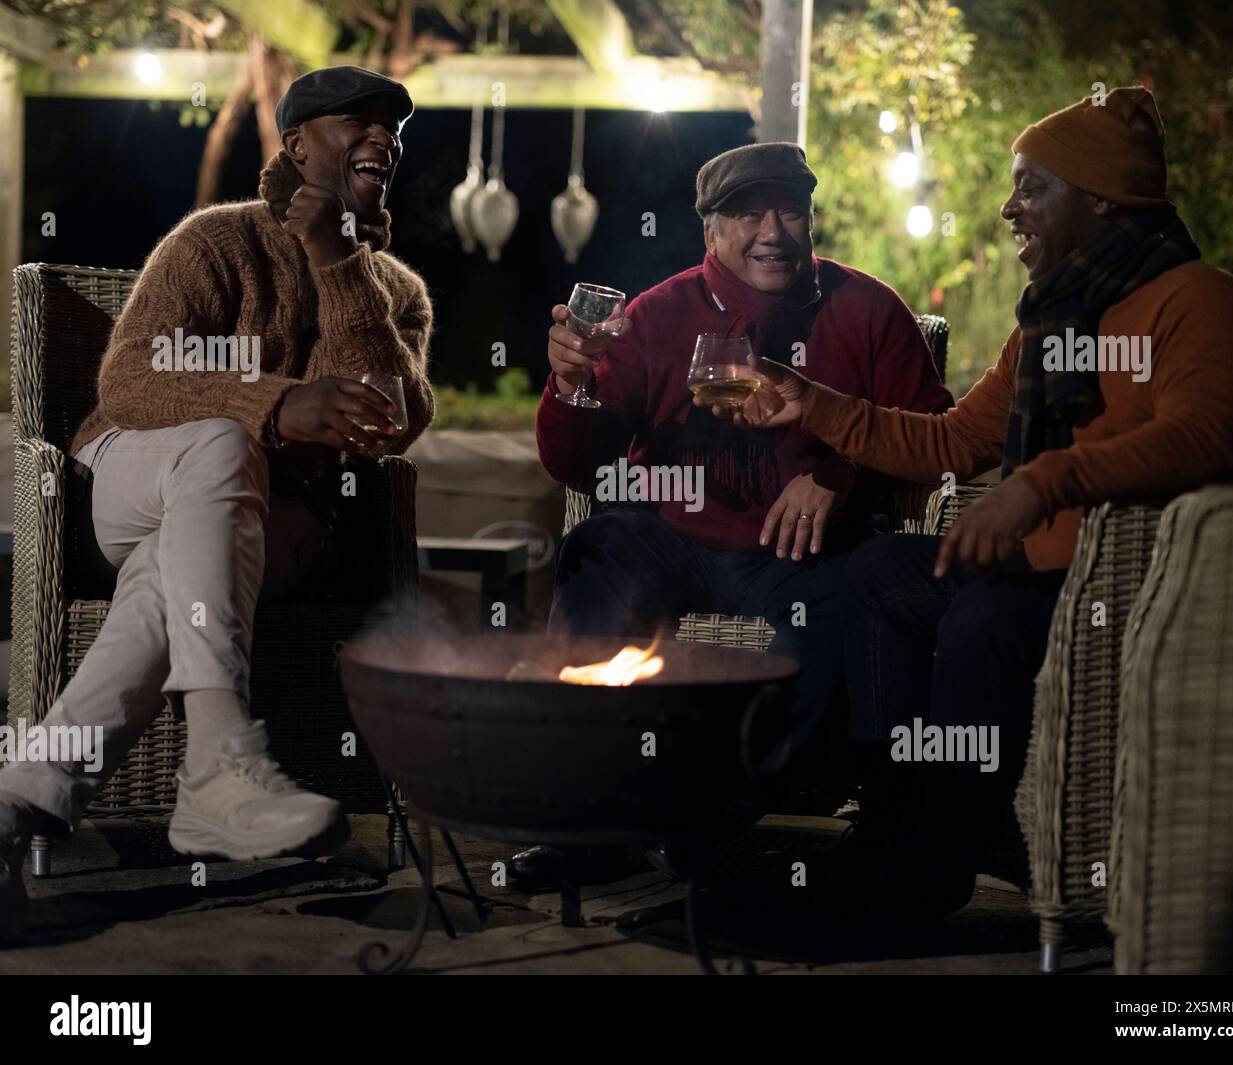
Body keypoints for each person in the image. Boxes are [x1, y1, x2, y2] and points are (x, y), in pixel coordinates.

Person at [701, 87, 1233, 910]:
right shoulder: (1047, 321)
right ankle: (896, 828)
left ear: (1101, 197)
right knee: (879, 570)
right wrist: (811, 400)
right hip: (1039, 570)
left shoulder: (1198, 299)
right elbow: (947, 443)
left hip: (1145, 588)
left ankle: (946, 851)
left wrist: (1044, 479)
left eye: (1032, 186)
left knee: (980, 620)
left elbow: (1204, 438)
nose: (1011, 207)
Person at [0, 66, 436, 938]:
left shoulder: (395, 291)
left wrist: (337, 260)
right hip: (125, 482)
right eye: (360, 121)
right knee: (222, 441)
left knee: (176, 573)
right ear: (296, 143)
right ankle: (217, 761)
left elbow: (395, 420)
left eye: (396, 127)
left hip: (257, 525)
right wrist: (274, 401)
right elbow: (127, 382)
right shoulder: (215, 241)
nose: (386, 139)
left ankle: (25, 795)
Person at [518, 142, 952, 887]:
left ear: (811, 219)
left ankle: (698, 819)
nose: (772, 231)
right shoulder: (655, 316)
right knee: (597, 550)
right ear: (710, 231)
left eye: (789, 209)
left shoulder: (868, 309)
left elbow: (938, 440)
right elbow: (576, 464)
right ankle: (586, 823)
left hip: (802, 556)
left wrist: (842, 470)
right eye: (748, 212)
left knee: (825, 625)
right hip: (674, 539)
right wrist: (569, 385)